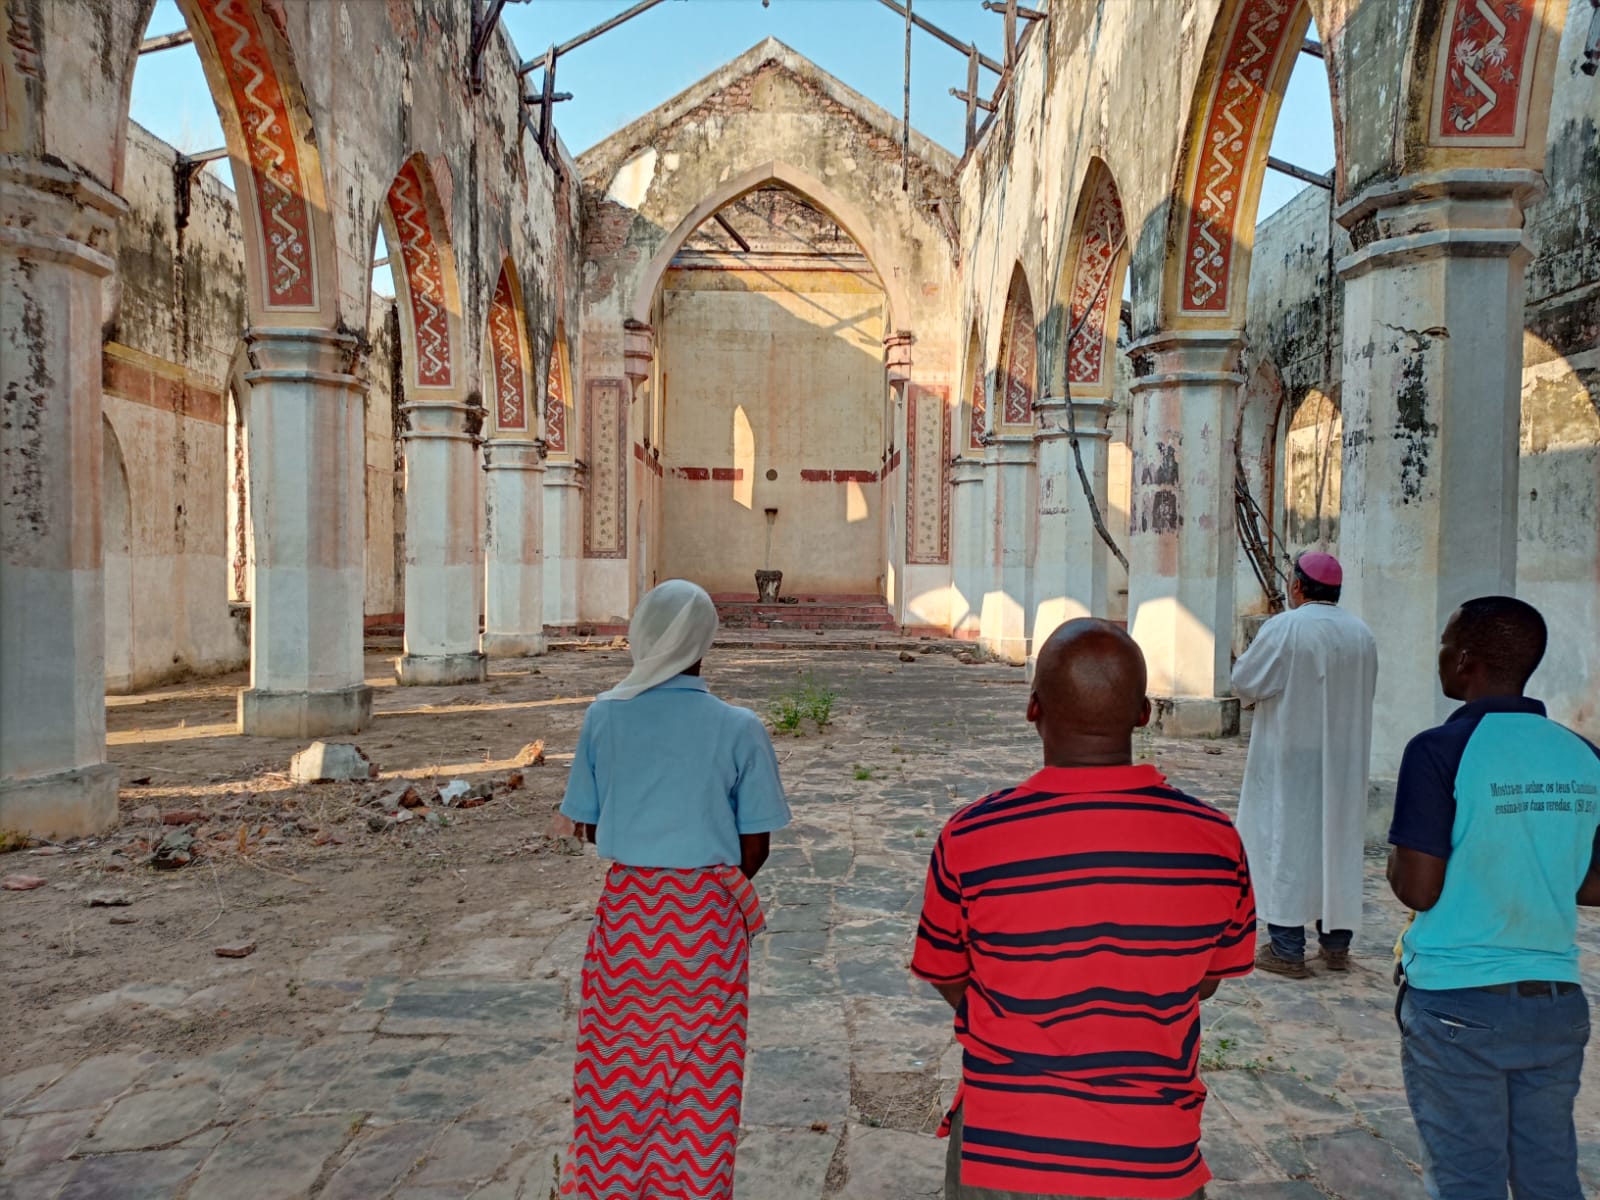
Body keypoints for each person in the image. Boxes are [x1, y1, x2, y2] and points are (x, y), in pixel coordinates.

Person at [911, 618, 1256, 1200]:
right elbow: (1205, 983)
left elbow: (948, 973)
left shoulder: (971, 837)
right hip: (1153, 1156)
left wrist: (1021, 1008)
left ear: (1033, 708)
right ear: (1144, 713)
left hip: (1005, 1148)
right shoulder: (1215, 840)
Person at [558, 579, 791, 1200]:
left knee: (617, 1073)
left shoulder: (604, 715)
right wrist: (697, 883)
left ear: (642, 635)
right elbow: (756, 846)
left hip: (629, 920)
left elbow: (587, 824)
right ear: (703, 641)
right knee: (701, 1080)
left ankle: (611, 1185)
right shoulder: (740, 728)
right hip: (707, 923)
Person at [1387, 596, 1600, 1200]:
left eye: (1445, 647)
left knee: (1466, 1180)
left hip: (1458, 1003)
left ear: (1466, 662)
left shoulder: (1437, 751)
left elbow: (1419, 889)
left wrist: (1401, 857)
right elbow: (1591, 883)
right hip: (1557, 1003)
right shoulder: (1582, 754)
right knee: (1549, 1176)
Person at [1232, 551, 1378, 977]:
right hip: (1345, 759)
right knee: (1337, 843)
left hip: (1292, 756)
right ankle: (1336, 945)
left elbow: (1246, 680)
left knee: (1288, 841)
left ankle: (1287, 948)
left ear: (1297, 586)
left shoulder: (1286, 628)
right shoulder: (1361, 633)